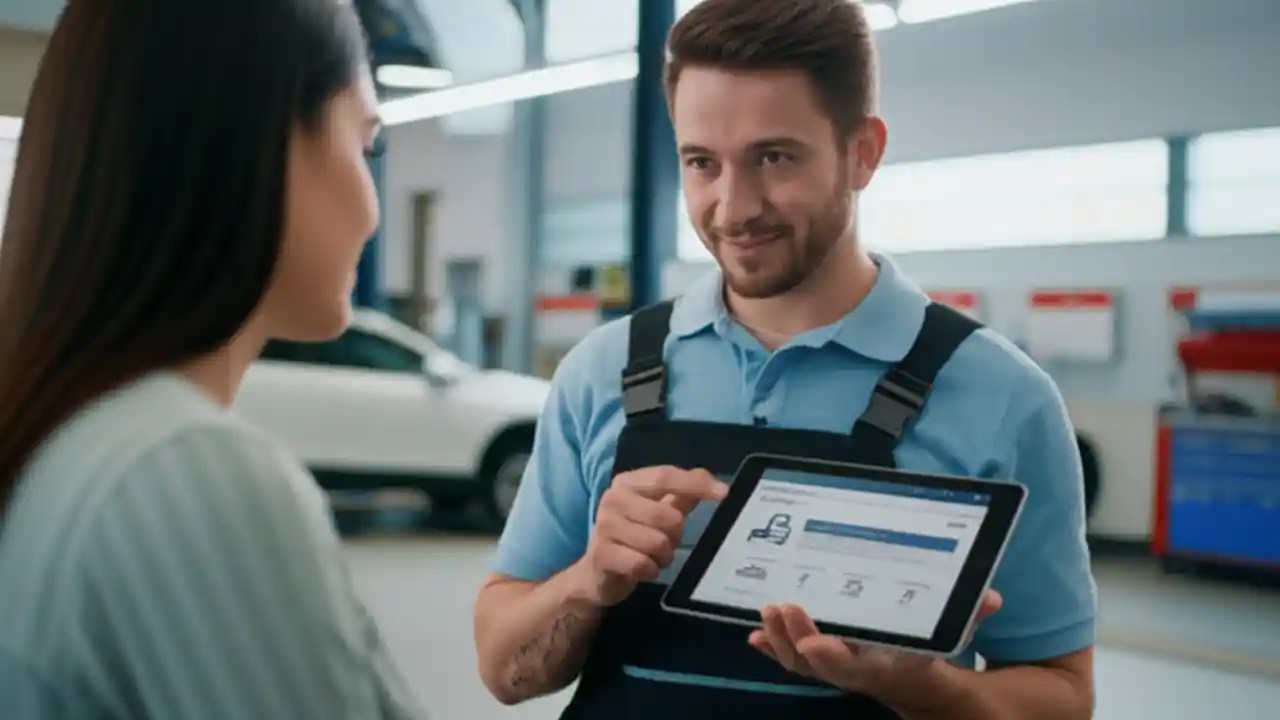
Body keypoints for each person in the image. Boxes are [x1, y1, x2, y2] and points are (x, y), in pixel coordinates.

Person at [473, 1, 1097, 718]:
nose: (733, 207)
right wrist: (587, 580)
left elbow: (1062, 695)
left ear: (863, 152)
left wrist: (918, 686)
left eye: (773, 158)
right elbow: (502, 671)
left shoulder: (1001, 397)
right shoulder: (602, 372)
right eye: (702, 163)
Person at [0, 2, 426, 718]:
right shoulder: (189, 468)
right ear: (263, 144)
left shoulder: (67, 446)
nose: (372, 210)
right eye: (365, 145)